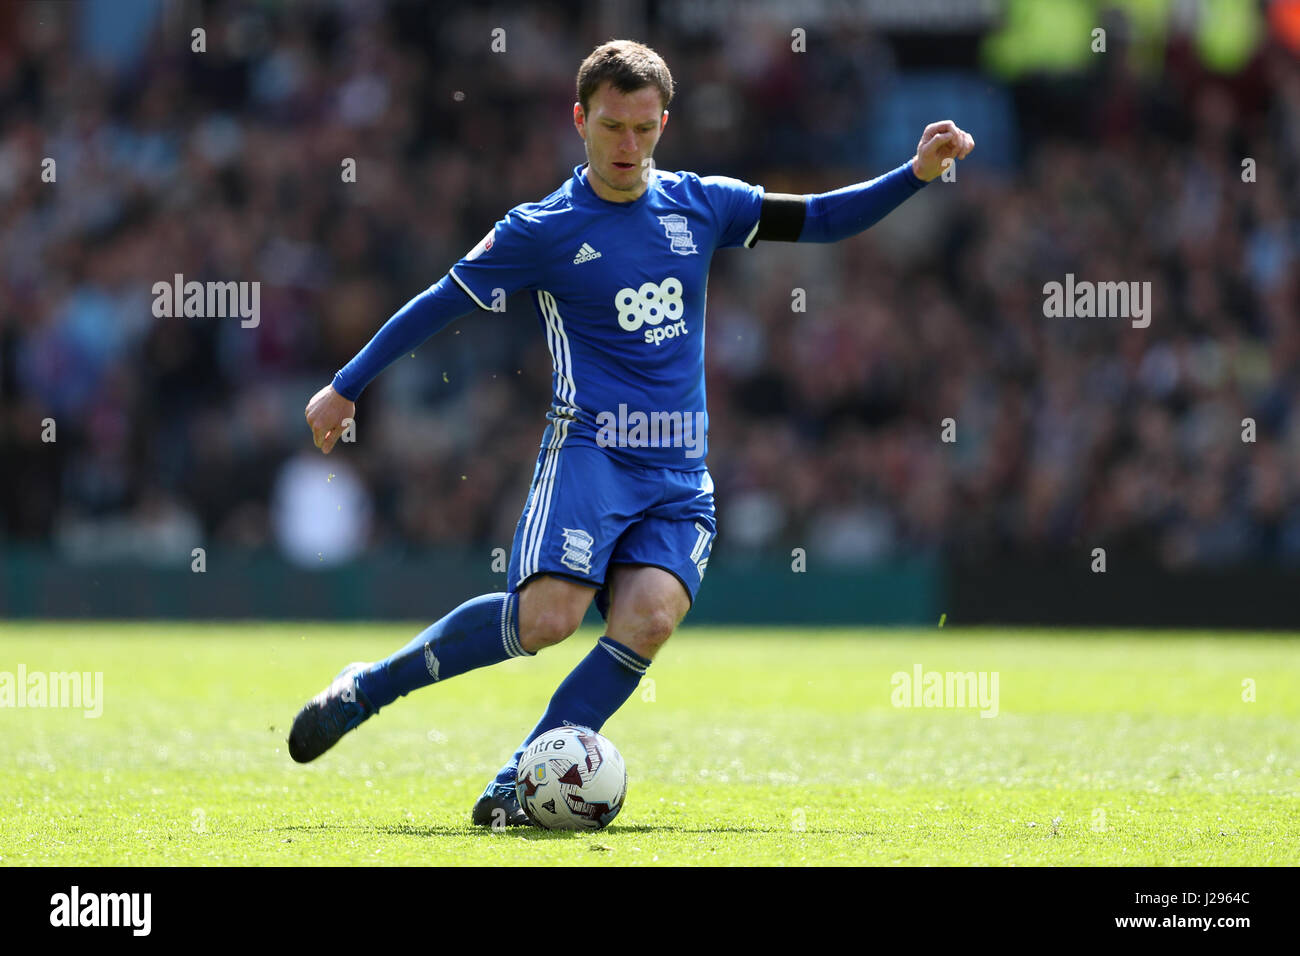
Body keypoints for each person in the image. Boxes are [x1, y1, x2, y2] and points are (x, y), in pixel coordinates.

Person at [288, 39, 974, 827]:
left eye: (645, 130)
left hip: (679, 471)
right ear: (580, 119)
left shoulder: (702, 203)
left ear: (664, 123)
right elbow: (442, 300)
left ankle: (519, 779)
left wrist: (915, 174)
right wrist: (346, 385)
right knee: (548, 618)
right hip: (590, 452)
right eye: (613, 127)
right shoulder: (541, 228)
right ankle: (368, 687)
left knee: (649, 618)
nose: (629, 147)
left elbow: (817, 219)